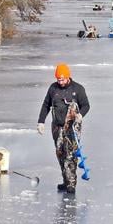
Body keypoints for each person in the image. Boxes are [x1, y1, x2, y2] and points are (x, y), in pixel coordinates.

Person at [37, 63, 90, 193]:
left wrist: (80, 115)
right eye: (58, 79)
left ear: (67, 77)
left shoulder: (78, 89)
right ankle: (66, 181)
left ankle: (71, 184)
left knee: (70, 155)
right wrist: (41, 122)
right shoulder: (53, 88)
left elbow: (86, 105)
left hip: (72, 128)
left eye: (62, 79)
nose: (60, 82)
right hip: (57, 127)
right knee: (60, 154)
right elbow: (46, 105)